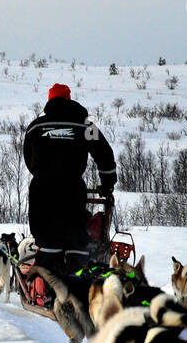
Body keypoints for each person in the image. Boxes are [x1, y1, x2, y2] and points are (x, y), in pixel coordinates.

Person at [23, 83, 117, 271]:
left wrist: (42, 174)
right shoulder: (84, 125)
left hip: (42, 191)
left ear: (49, 100)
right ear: (69, 99)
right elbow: (104, 154)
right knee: (75, 236)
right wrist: (107, 183)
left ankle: (47, 286)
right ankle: (78, 280)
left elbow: (28, 158)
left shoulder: (36, 126)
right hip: (72, 190)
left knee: (47, 237)